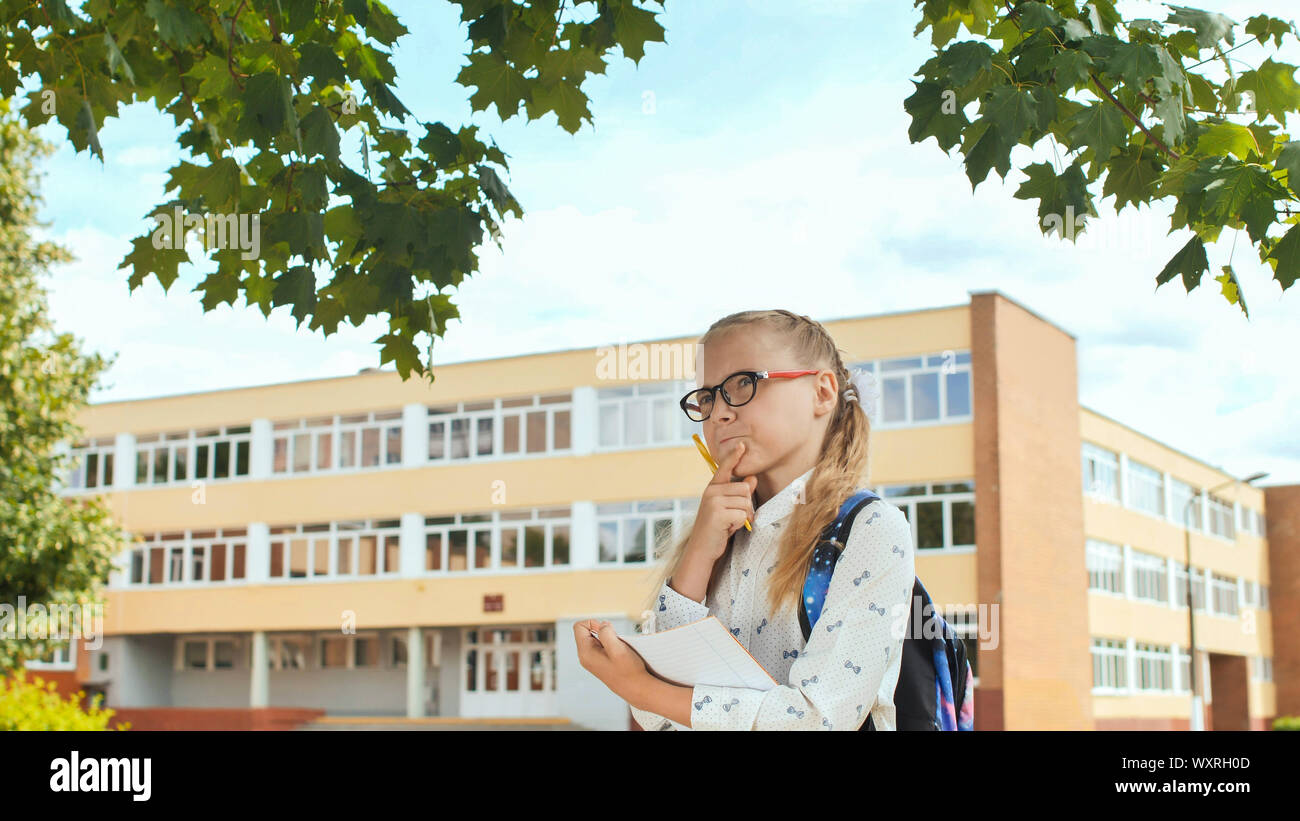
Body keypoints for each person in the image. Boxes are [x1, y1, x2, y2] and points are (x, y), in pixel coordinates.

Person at [574, 309, 915, 730]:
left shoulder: (869, 530)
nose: (718, 413)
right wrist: (697, 555)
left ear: (822, 392)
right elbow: (658, 720)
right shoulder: (717, 535)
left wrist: (638, 687)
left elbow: (818, 721)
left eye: (743, 383)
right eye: (706, 397)